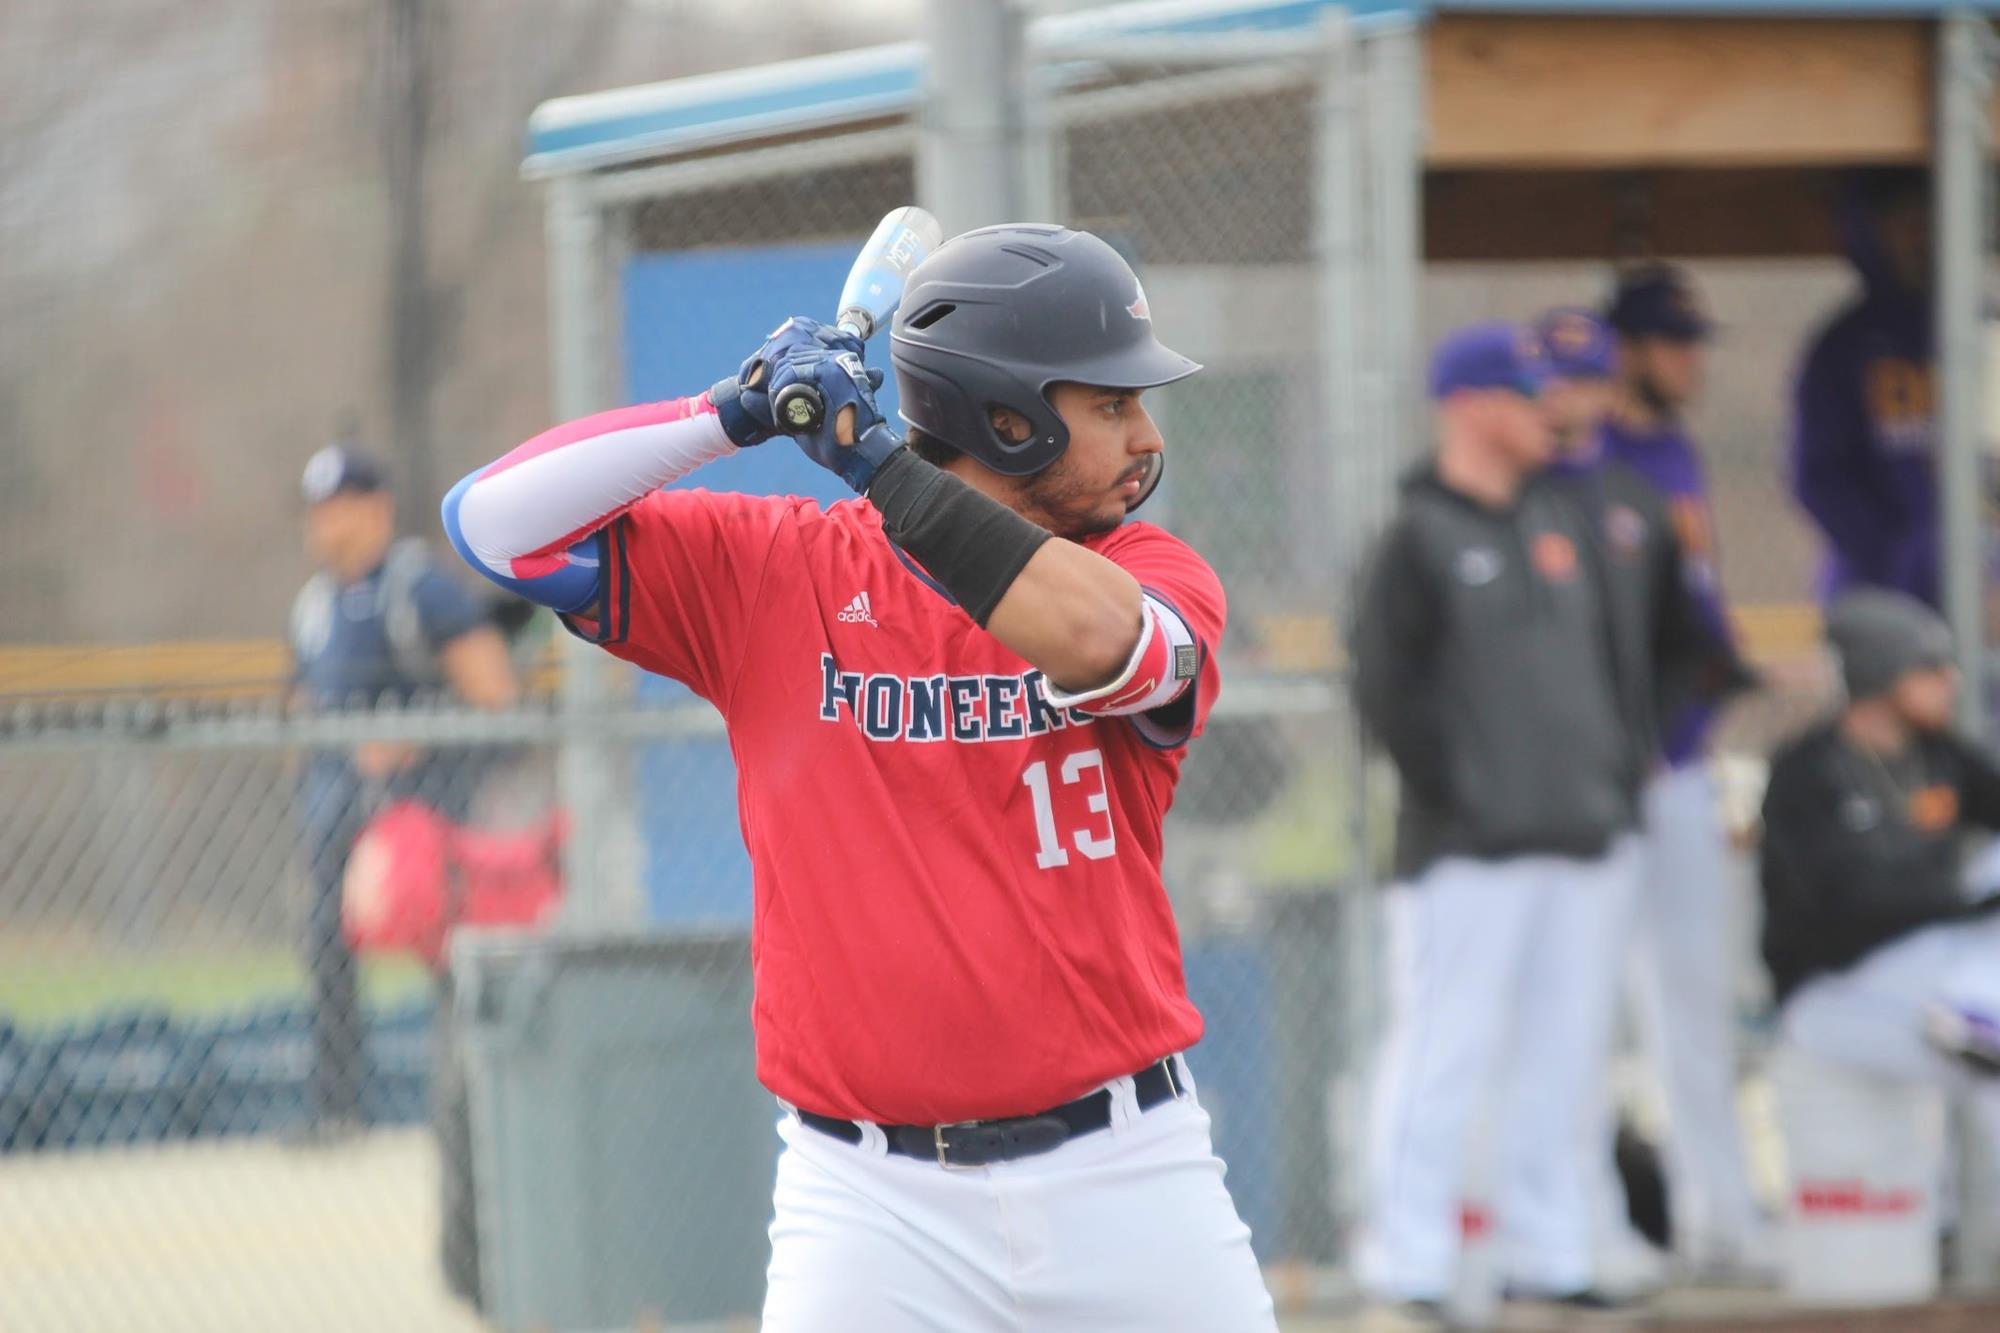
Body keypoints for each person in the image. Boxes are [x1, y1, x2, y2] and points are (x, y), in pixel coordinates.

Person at [441, 224, 1277, 1330]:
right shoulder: (779, 572)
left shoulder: (1146, 571)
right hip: (872, 1205)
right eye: (1110, 405)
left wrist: (875, 465)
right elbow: (495, 526)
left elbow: (1092, 643)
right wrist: (728, 413)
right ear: (1007, 420)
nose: (1144, 434)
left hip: (1124, 1173)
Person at [1352, 322, 1650, 1319]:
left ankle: (1548, 1248)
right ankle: (1408, 1262)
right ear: (1470, 405)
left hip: (1579, 832)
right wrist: (1458, 792)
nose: (1546, 414)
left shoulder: (1556, 517)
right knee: (1442, 1051)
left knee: (1564, 1060)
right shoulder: (1413, 535)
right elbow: (1384, 691)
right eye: (1525, 397)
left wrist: (1608, 781)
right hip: (1467, 851)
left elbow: (1614, 670)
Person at [288, 441, 519, 1299]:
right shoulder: (315, 607)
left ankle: (460, 1108)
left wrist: (414, 729)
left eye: (343, 501)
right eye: (319, 504)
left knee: (446, 981)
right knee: (322, 951)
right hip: (338, 826)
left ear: (377, 506)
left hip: (419, 831)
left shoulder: (414, 587)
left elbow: (494, 691)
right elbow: (304, 710)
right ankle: (336, 1106)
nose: (327, 520)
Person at [1597, 270, 1776, 1276]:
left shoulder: (1670, 448)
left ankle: (1721, 1215)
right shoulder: (1589, 460)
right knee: (1590, 1010)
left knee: (1695, 1001)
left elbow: (1691, 602)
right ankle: (1593, 1223)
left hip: (1681, 760)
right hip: (1606, 771)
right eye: (1672, 342)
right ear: (1630, 347)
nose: (1691, 359)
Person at [1761, 589, 2000, 1157]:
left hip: (1927, 969)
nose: (1950, 681)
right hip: (1835, 987)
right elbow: (1844, 909)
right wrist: (1964, 903)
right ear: (1880, 673)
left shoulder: (1937, 754)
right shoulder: (1809, 772)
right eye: (1930, 669)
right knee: (1979, 1033)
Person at [1791, 169, 1935, 605]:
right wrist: (1897, 558)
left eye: (1925, 225)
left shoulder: (1980, 329)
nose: (1917, 241)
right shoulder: (1846, 347)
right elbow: (1819, 476)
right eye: (1903, 227)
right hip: (1881, 589)